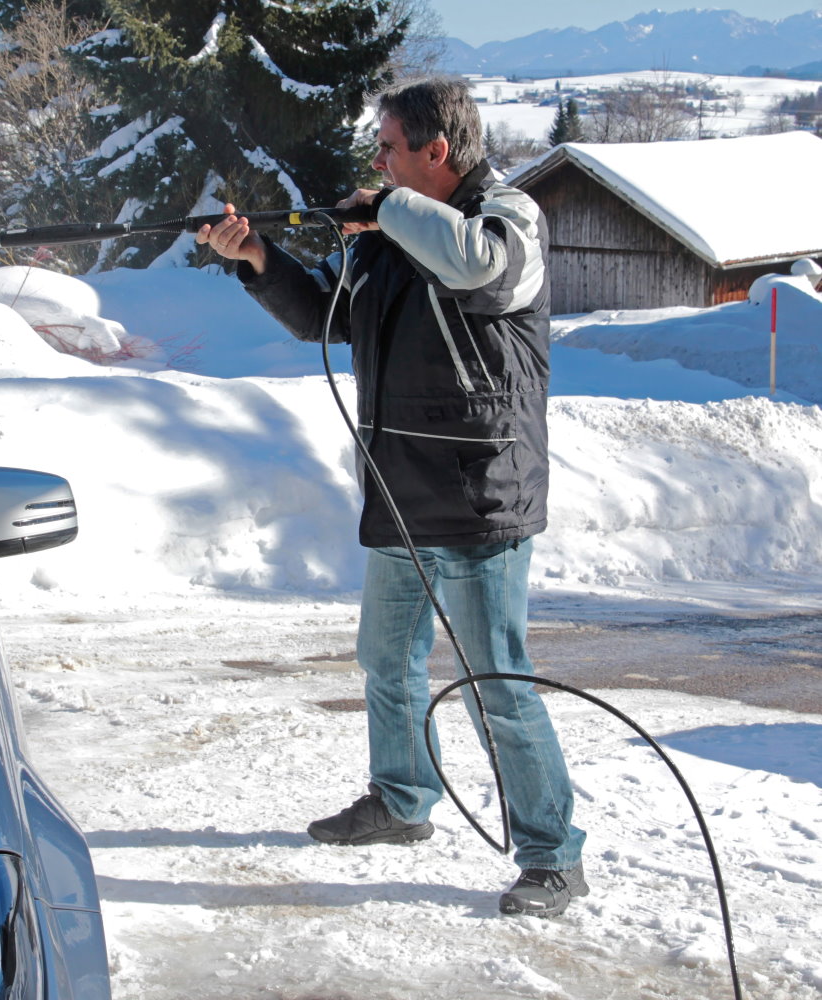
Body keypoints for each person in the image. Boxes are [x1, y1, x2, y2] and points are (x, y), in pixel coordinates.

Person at [196, 76, 588, 917]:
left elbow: (476, 263)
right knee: (387, 660)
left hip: (483, 495)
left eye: (388, 149)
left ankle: (553, 854)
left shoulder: (507, 219)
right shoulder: (388, 236)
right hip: (401, 487)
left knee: (494, 681)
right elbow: (326, 318)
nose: (374, 163)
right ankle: (402, 801)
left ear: (436, 153)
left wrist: (382, 209)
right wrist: (257, 260)